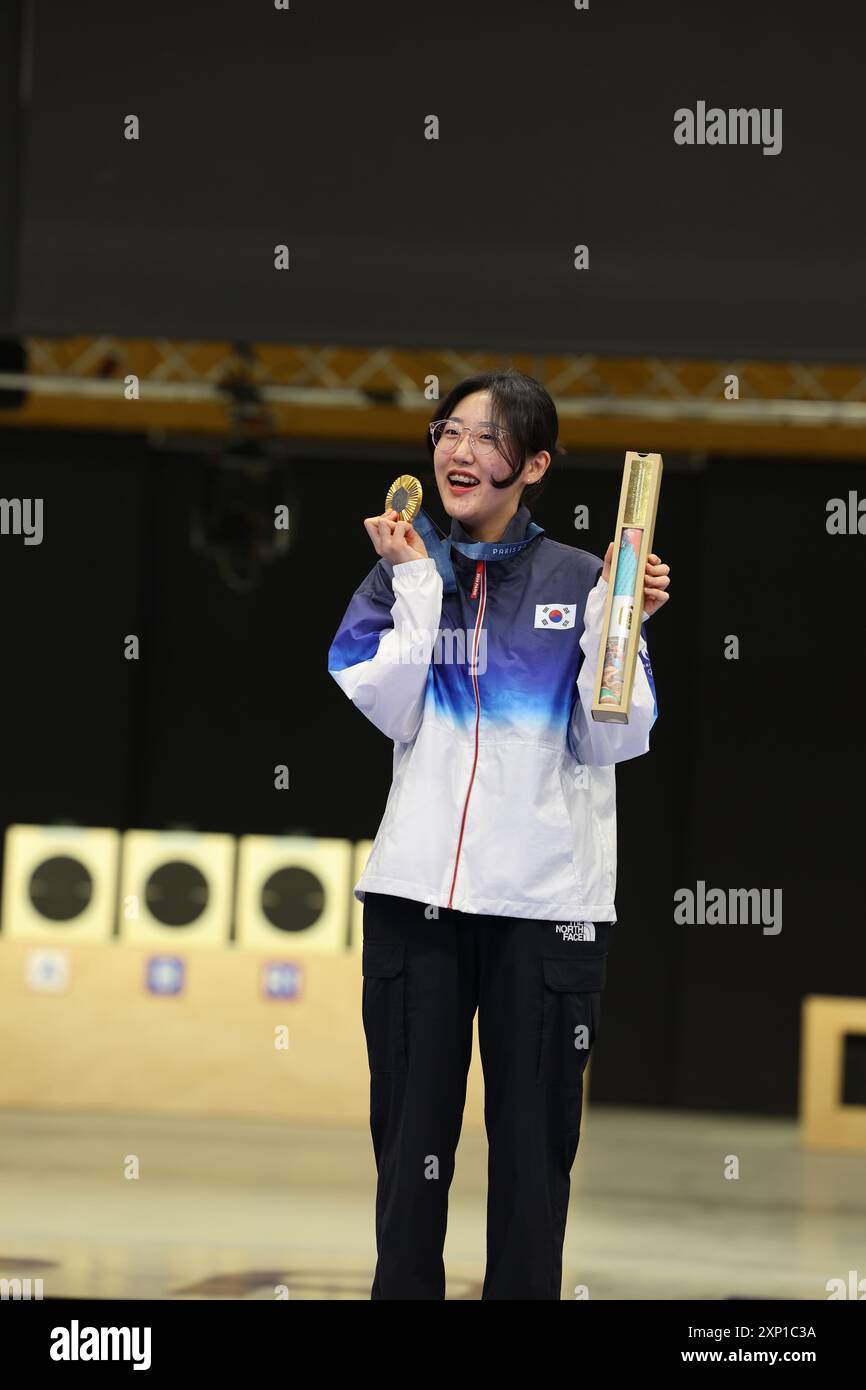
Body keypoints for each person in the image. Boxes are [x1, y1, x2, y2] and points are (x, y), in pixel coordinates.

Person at [327, 369, 670, 1300]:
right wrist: (412, 583)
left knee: (532, 1159)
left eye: (485, 436)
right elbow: (390, 708)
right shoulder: (402, 569)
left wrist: (619, 627)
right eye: (449, 430)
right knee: (409, 1160)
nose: (459, 450)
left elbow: (612, 736)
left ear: (535, 463)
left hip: (545, 912)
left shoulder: (587, 579)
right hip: (415, 907)